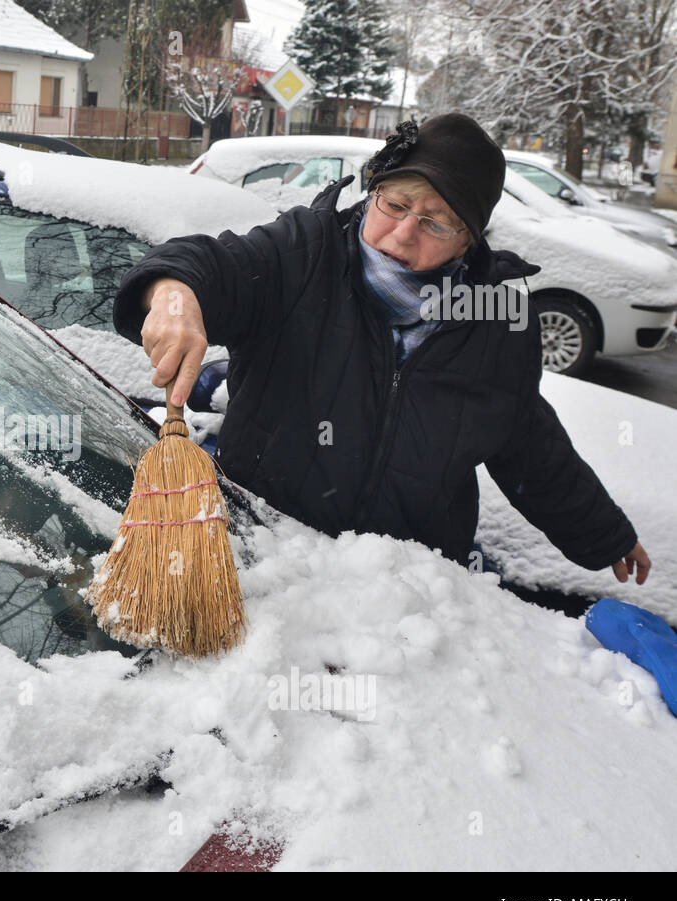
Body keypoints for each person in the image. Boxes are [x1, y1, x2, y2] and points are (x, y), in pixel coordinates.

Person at [111, 113, 650, 584]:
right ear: (374, 191)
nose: (403, 233)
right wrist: (174, 293)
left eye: (437, 222)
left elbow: (528, 441)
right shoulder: (303, 255)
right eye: (394, 204)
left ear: (470, 240)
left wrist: (602, 534)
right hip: (267, 560)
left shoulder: (497, 321)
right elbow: (209, 264)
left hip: (406, 591)